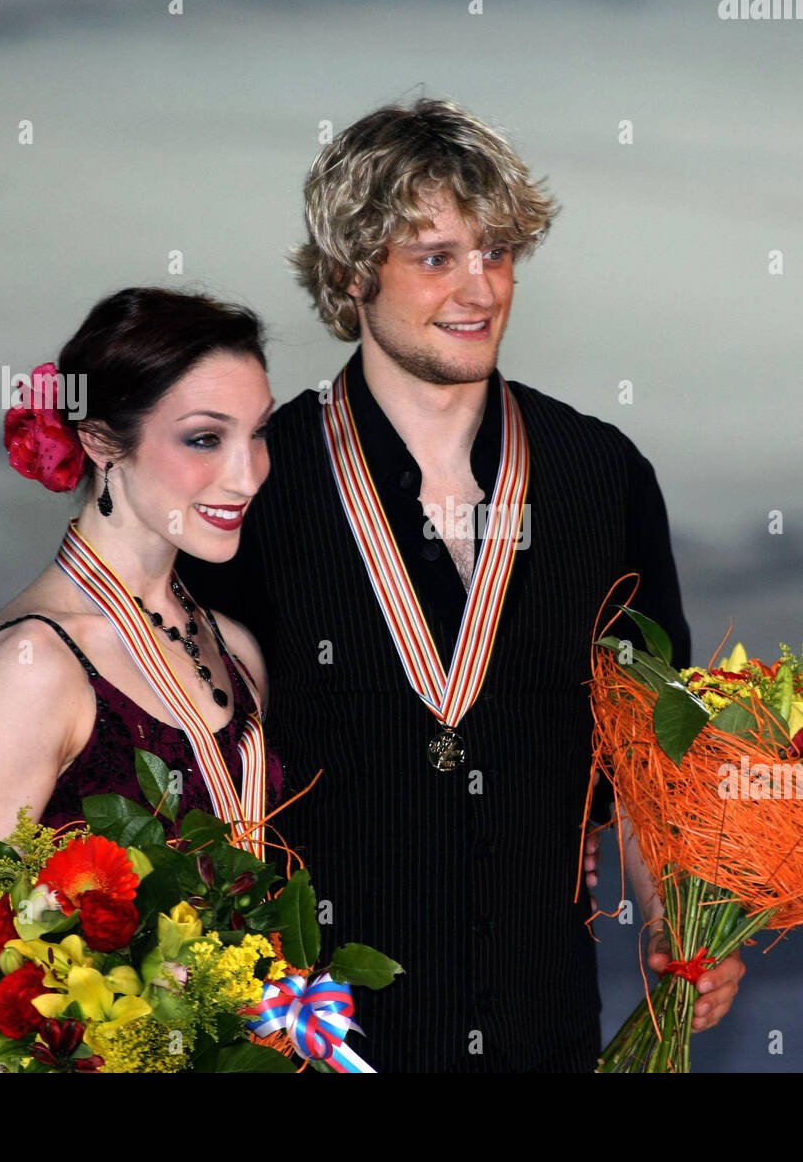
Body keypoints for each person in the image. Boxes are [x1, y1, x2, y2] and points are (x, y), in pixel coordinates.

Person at [176, 98, 744, 1072]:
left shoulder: (598, 478)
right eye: (436, 257)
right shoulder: (250, 492)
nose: (478, 288)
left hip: (544, 1033)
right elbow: (194, 776)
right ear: (354, 272)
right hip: (316, 1047)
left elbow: (652, 752)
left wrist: (674, 917)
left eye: (496, 252)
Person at [0, 287, 278, 898]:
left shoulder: (236, 650)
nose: (248, 475)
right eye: (204, 439)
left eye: (258, 433)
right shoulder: (34, 664)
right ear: (99, 441)